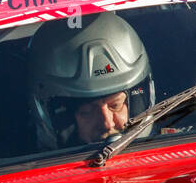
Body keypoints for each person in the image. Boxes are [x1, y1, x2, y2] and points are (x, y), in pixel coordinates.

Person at [26, 12, 155, 150]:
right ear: (59, 118)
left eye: (115, 105)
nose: (107, 124)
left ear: (139, 101)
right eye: (87, 112)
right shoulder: (21, 163)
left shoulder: (170, 137)